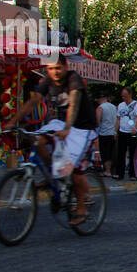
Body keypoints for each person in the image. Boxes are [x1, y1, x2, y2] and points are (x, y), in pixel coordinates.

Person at [13, 52, 95, 225]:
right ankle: (53, 175)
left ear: (66, 67)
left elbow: (73, 104)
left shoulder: (74, 79)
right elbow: (33, 102)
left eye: (58, 68)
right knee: (38, 140)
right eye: (51, 68)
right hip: (62, 124)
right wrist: (11, 122)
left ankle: (81, 207)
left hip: (82, 128)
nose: (55, 72)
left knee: (74, 171)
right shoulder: (47, 81)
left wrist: (67, 128)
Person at [115, 87, 137, 179]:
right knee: (121, 153)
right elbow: (118, 118)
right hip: (122, 131)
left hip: (132, 132)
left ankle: (133, 174)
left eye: (125, 96)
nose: (124, 98)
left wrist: (135, 128)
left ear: (129, 95)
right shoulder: (121, 105)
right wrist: (115, 130)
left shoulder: (136, 105)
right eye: (122, 96)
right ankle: (120, 173)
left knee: (133, 153)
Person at [95, 93, 117, 178]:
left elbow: (98, 120)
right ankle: (110, 170)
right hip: (113, 133)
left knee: (105, 153)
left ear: (99, 99)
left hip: (104, 133)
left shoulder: (100, 108)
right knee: (111, 153)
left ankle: (107, 171)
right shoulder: (114, 107)